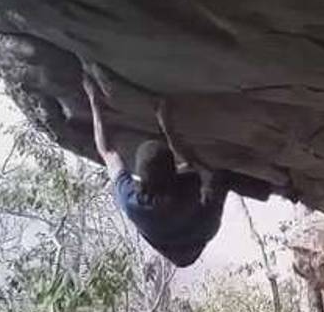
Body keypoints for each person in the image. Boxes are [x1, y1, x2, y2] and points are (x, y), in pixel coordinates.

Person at [82, 74, 282, 267]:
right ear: (173, 172)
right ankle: (276, 188)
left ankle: (279, 189)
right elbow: (187, 159)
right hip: (200, 228)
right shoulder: (186, 188)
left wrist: (93, 99)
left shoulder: (130, 199)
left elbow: (107, 151)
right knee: (221, 177)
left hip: (174, 244)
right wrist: (166, 124)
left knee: (208, 177)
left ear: (141, 177)